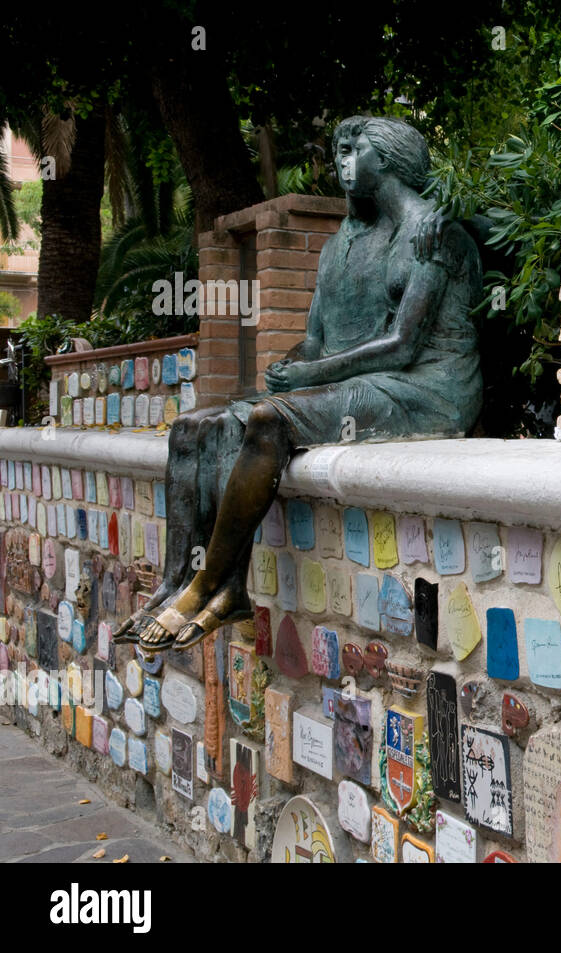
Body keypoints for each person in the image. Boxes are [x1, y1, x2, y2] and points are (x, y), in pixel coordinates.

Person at [116, 116, 482, 652]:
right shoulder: (341, 248)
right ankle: (184, 584)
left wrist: (307, 379)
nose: (342, 161)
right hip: (379, 378)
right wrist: (289, 368)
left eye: (353, 149)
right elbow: (313, 343)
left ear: (389, 156)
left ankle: (204, 587)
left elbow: (403, 346)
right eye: (337, 150)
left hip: (430, 390)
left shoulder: (434, 230)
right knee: (195, 428)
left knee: (268, 420)